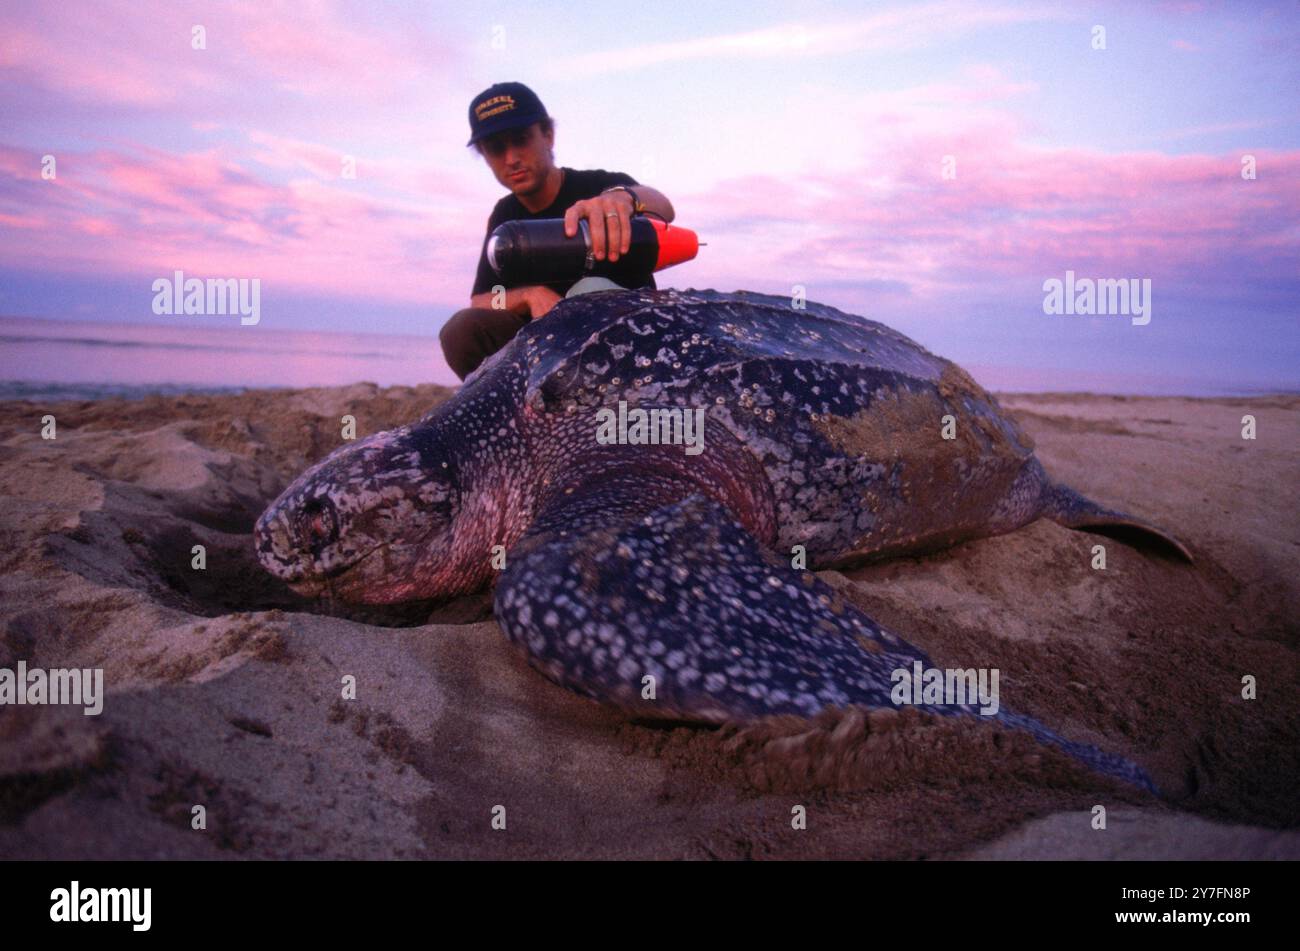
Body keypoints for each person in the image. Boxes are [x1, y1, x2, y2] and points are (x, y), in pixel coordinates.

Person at [439, 82, 676, 380]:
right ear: (485, 157)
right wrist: (527, 296)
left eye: (521, 139)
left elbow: (664, 209)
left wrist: (624, 199)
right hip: (548, 356)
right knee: (462, 330)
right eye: (496, 148)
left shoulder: (599, 188)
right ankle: (519, 414)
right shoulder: (504, 216)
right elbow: (483, 299)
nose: (511, 158)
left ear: (548, 135)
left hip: (624, 344)